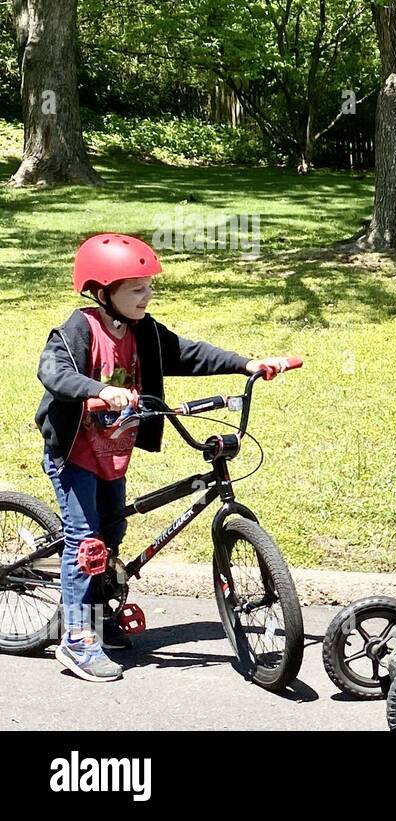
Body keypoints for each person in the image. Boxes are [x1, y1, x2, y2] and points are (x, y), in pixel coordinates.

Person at [35, 233, 296, 682]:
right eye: (135, 288)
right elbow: (54, 373)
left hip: (111, 452)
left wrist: (246, 364)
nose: (147, 295)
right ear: (103, 292)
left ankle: (99, 617)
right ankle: (77, 639)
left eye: (148, 286)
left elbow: (188, 353)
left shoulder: (144, 332)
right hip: (75, 452)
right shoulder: (77, 330)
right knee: (86, 539)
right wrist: (100, 389)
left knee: (113, 528)